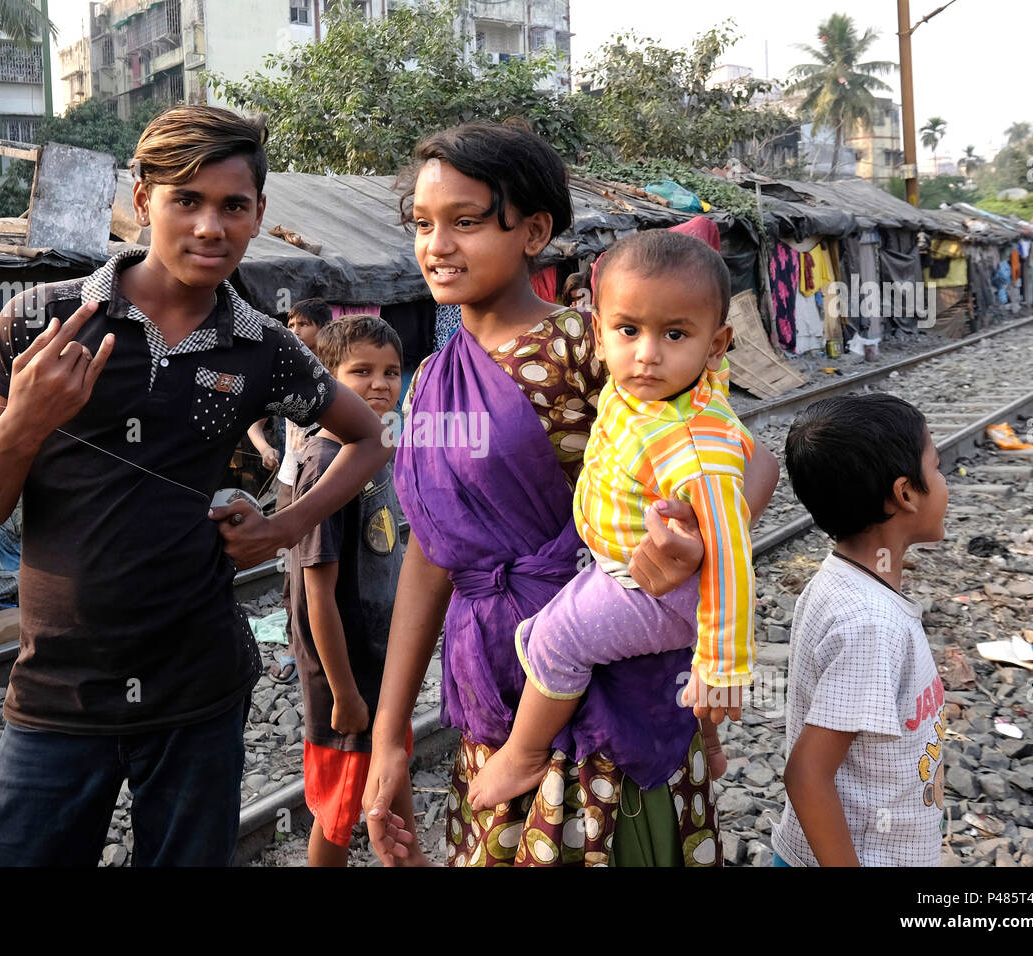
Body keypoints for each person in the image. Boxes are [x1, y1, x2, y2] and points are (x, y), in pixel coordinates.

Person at [0, 105, 388, 867]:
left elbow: (369, 440)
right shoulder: (42, 323)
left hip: (199, 692)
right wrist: (27, 421)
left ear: (256, 218)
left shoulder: (263, 348)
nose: (211, 226)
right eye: (187, 200)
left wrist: (285, 528)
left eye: (233, 206)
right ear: (144, 201)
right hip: (57, 692)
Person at [361, 120, 780, 867]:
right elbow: (433, 548)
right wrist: (389, 737)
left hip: (610, 682)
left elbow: (753, 462)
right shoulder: (428, 379)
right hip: (494, 682)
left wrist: (683, 544)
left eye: (466, 222)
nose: (437, 246)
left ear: (535, 230)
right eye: (423, 224)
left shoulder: (599, 343)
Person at [468, 229, 755, 811]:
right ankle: (711, 742)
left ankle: (522, 754)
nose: (647, 353)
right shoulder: (654, 388)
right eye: (629, 330)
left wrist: (724, 663)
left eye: (675, 334)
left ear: (716, 343)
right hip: (620, 563)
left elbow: (732, 556)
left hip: (656, 589)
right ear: (599, 332)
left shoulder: (697, 446)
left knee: (552, 638)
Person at [772, 394, 948, 867]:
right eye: (937, 467)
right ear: (906, 493)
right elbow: (807, 774)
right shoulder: (870, 625)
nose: (945, 482)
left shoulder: (839, 579)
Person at [286, 314, 425, 866]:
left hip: (380, 657)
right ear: (328, 378)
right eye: (361, 371)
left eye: (391, 371)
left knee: (390, 766)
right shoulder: (325, 462)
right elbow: (316, 595)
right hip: (344, 669)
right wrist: (343, 693)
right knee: (339, 808)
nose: (380, 384)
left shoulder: (378, 450)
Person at [246, 296, 334, 683]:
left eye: (302, 324)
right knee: (292, 571)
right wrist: (266, 448)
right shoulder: (284, 371)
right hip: (289, 481)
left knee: (325, 568)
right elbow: (254, 423)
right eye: (291, 323)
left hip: (330, 480)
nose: (294, 331)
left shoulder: (337, 373)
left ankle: (328, 645)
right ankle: (294, 645)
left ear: (323, 328)